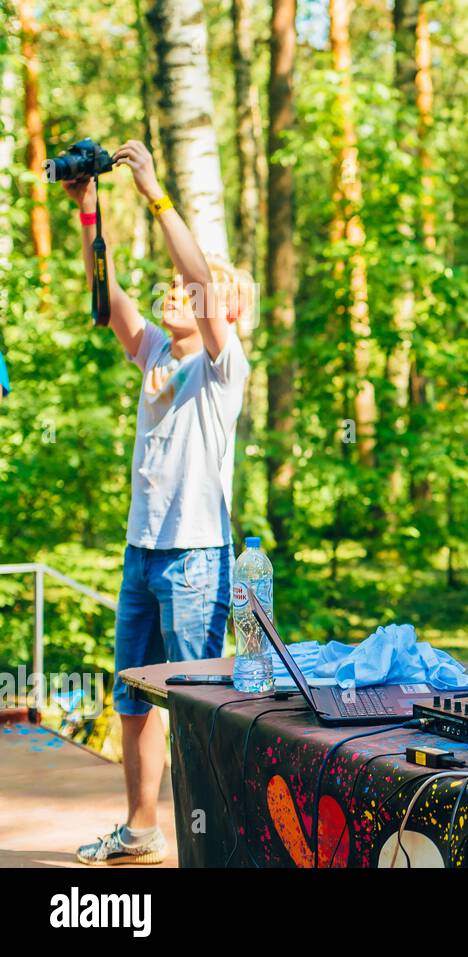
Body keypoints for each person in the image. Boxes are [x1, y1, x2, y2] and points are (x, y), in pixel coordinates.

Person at [62, 141, 252, 865]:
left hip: (195, 558)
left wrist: (153, 192)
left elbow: (199, 276)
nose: (177, 288)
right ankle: (142, 830)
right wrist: (87, 208)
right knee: (133, 699)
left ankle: (211, 847)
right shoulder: (155, 357)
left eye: (194, 288)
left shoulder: (219, 364)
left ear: (222, 308)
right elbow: (104, 296)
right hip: (141, 554)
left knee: (196, 711)